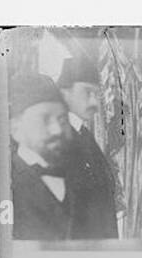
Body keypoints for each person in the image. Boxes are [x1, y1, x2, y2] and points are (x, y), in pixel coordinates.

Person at [9, 74, 84, 240]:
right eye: (45, 119)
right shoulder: (4, 185)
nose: (57, 129)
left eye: (63, 120)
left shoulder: (83, 180)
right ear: (15, 128)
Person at [56, 58, 117, 239]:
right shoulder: (56, 139)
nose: (94, 102)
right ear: (64, 93)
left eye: (97, 94)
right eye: (87, 92)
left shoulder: (85, 136)